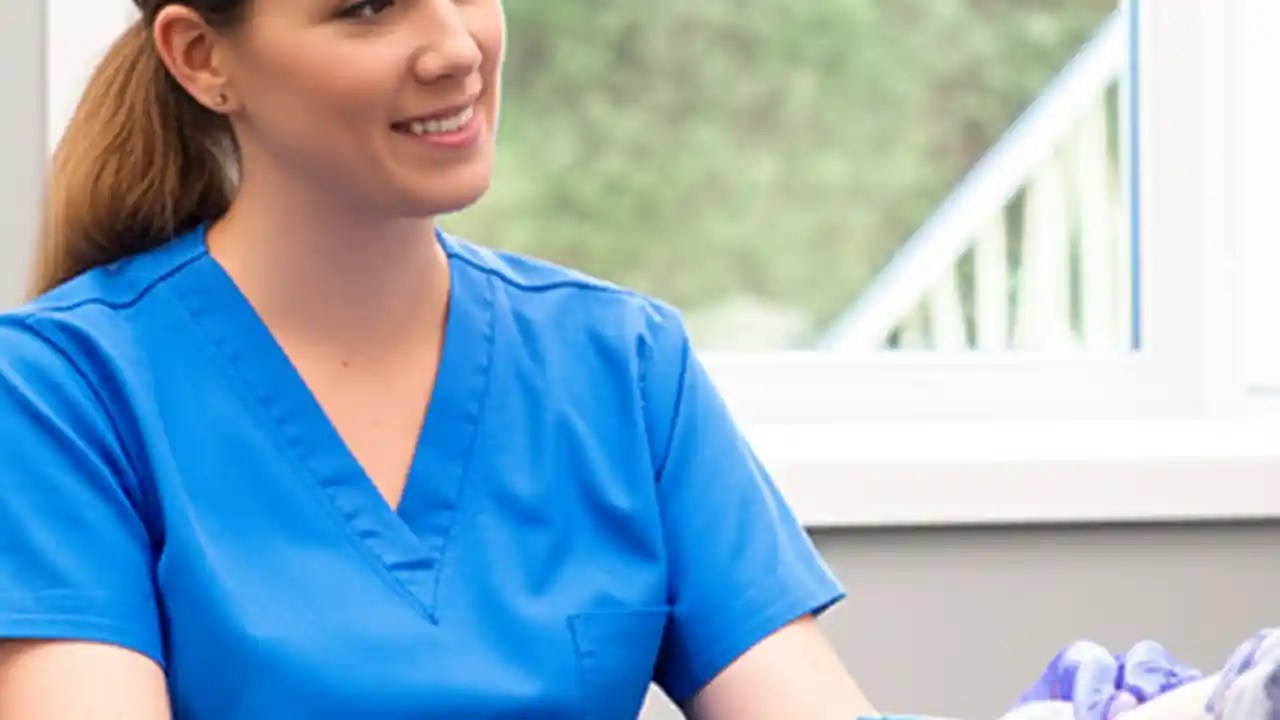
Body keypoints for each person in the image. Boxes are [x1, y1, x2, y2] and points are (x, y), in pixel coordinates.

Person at [0, 1, 1198, 719]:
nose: (452, 47)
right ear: (202, 56)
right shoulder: (63, 396)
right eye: (365, 5)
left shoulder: (620, 364)